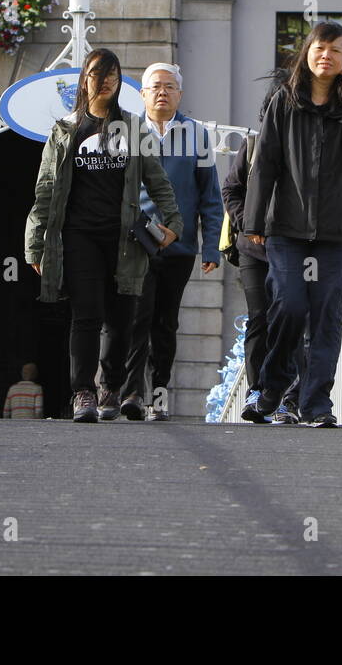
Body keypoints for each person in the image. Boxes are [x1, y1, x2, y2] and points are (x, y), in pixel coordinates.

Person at [24, 49, 184, 424]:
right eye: (98, 73)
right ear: (85, 79)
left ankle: (110, 387)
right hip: (79, 237)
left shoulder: (133, 127)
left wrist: (173, 222)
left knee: (122, 317)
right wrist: (35, 242)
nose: (106, 80)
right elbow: (45, 189)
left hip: (125, 238)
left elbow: (156, 180)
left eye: (113, 74)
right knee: (86, 315)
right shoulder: (65, 130)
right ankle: (83, 392)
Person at [244, 21, 342, 427]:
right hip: (286, 229)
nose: (328, 56)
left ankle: (317, 403)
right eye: (321, 48)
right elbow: (264, 162)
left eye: (337, 51)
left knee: (325, 317)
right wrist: (253, 221)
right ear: (307, 53)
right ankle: (273, 385)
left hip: (336, 233)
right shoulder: (284, 102)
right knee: (288, 304)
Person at [124, 62, 223, 422]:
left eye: (169, 86)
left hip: (178, 247)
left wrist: (211, 246)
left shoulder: (197, 136)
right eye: (155, 87)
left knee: (165, 324)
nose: (162, 92)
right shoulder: (127, 133)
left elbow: (210, 197)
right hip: (137, 243)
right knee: (138, 317)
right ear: (142, 94)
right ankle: (132, 392)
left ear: (180, 94)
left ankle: (159, 396)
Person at [222, 70, 304, 425]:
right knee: (260, 318)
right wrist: (249, 224)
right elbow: (231, 190)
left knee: (292, 319)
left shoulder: (309, 148)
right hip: (254, 250)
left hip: (295, 249)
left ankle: (289, 397)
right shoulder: (253, 146)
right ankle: (258, 391)